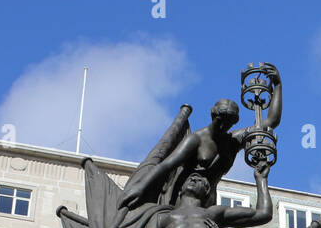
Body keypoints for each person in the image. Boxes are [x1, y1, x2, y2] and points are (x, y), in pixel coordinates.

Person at [118, 67, 282, 211]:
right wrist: (140, 188)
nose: (223, 126)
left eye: (229, 123)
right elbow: (167, 165)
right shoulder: (196, 139)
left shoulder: (232, 141)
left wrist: (278, 85)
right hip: (182, 200)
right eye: (221, 121)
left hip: (207, 202)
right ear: (213, 115)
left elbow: (269, 122)